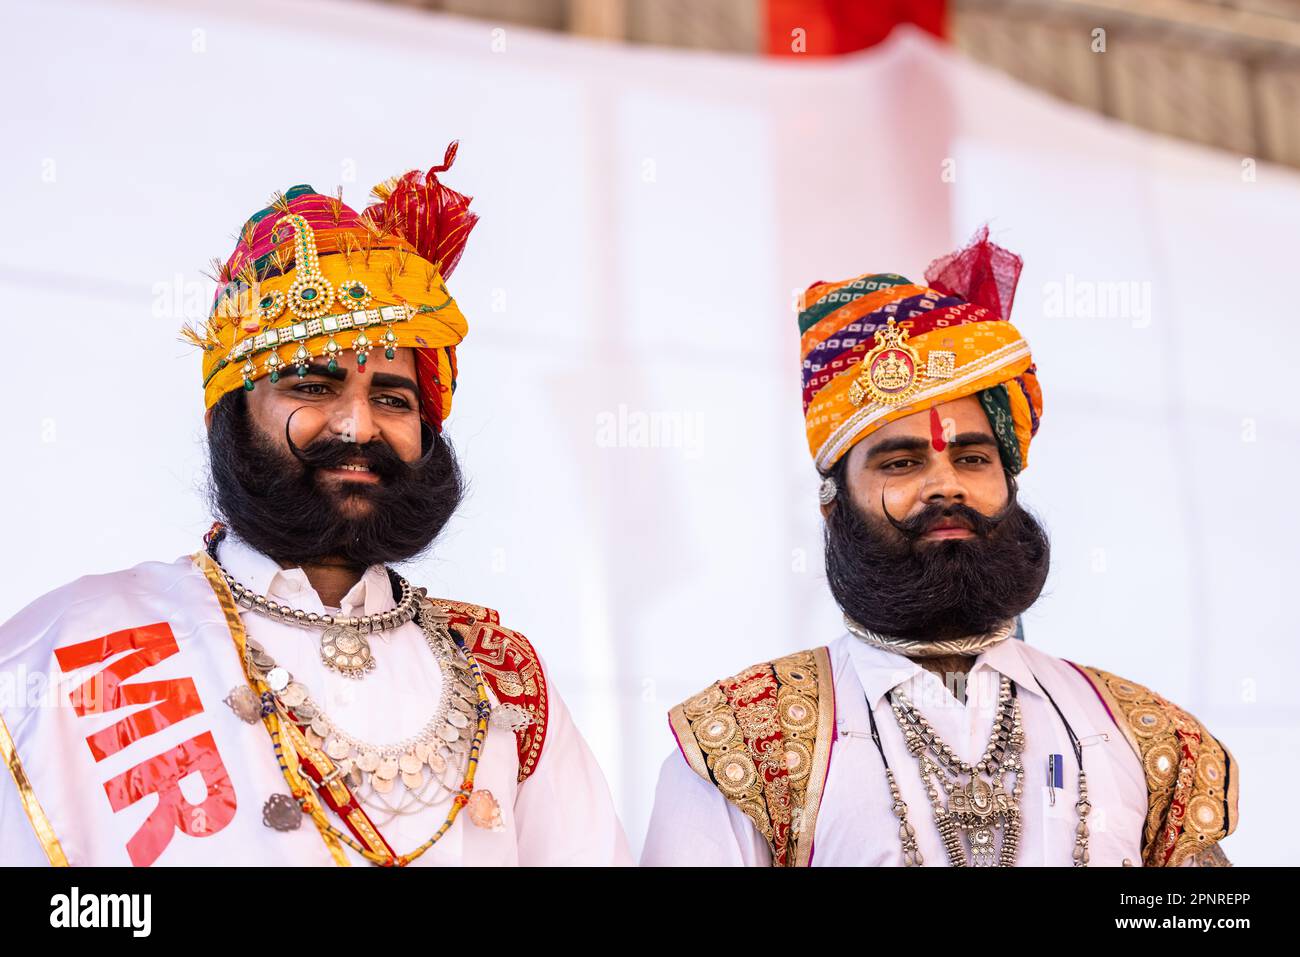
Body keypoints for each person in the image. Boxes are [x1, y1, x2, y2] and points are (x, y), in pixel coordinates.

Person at [0, 143, 631, 867]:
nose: (358, 426)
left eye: (392, 398)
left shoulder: (502, 678)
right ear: (232, 416)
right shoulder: (72, 647)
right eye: (311, 386)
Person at [641, 228, 1237, 867]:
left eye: (973, 458)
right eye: (900, 463)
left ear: (1008, 483)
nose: (944, 484)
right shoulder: (743, 746)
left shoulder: (1145, 740)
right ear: (832, 502)